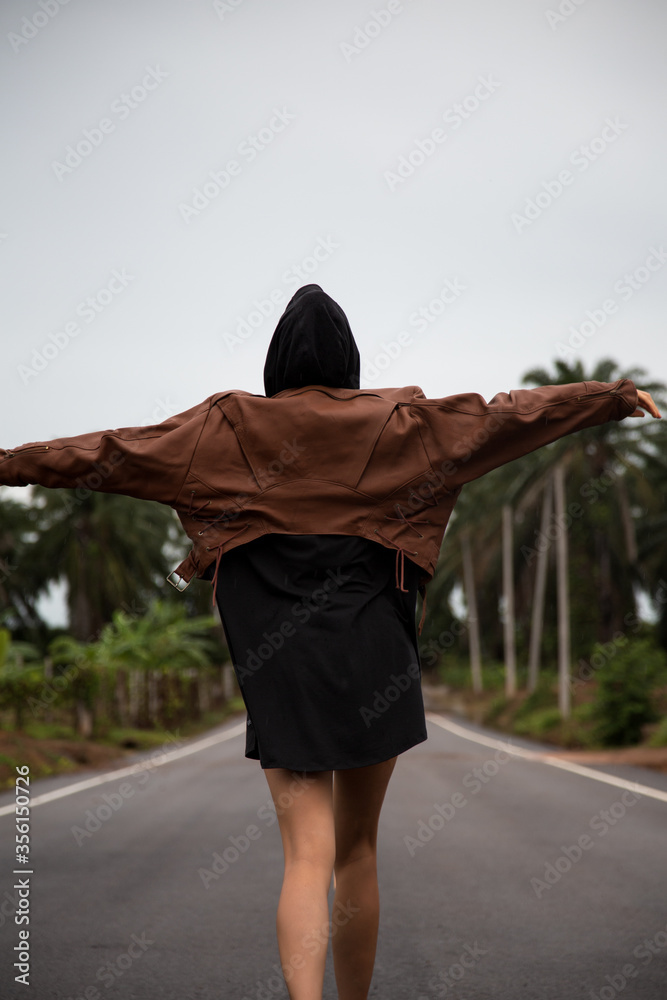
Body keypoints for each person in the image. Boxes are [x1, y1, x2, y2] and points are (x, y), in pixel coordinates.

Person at [0, 284, 661, 999]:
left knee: (304, 857)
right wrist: (609, 397)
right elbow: (505, 417)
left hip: (279, 667)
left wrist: (7, 462)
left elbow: (108, 452)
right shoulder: (404, 422)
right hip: (375, 656)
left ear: (273, 360)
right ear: (349, 359)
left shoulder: (221, 429)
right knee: (358, 852)